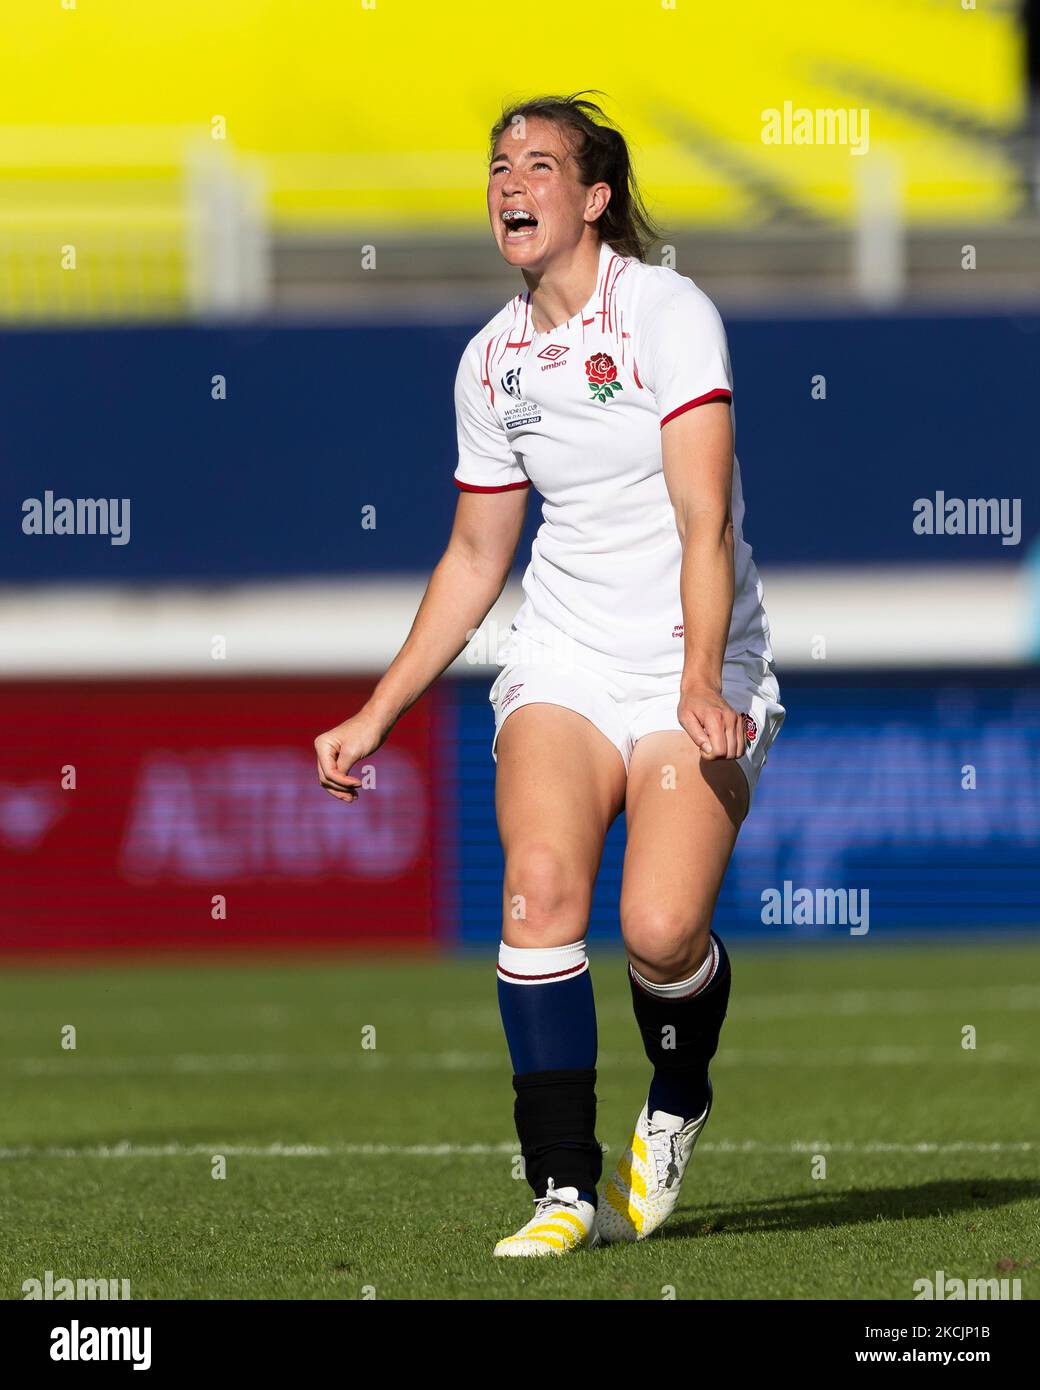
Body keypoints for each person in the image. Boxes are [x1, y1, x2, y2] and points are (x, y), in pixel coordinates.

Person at [314, 93, 784, 1256]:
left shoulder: (667, 313)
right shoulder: (491, 363)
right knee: (534, 891)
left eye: (537, 164)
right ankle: (562, 1190)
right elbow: (478, 556)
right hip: (562, 656)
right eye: (495, 166)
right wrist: (376, 711)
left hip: (694, 655)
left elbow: (700, 516)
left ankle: (677, 1093)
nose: (509, 184)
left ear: (592, 198)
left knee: (663, 932)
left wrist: (697, 680)